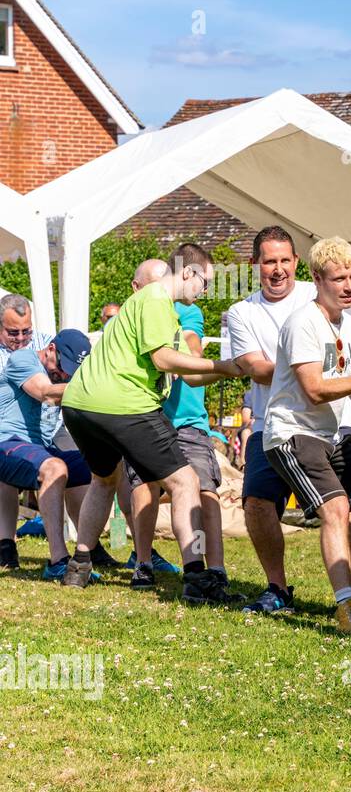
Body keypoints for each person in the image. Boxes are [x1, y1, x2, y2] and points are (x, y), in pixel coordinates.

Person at [59, 243, 245, 601]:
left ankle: (79, 566)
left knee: (104, 480)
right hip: (123, 403)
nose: (205, 292)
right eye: (204, 283)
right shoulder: (158, 300)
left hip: (80, 405)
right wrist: (221, 365)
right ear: (188, 272)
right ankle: (196, 578)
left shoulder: (143, 305)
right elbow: (163, 359)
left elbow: (187, 374)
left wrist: (229, 370)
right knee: (185, 481)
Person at [262, 237, 351, 640]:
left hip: (331, 435)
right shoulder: (303, 322)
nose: (348, 286)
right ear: (316, 278)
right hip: (291, 433)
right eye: (338, 278)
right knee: (336, 508)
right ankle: (344, 609)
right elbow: (315, 390)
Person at [225, 226, 317, 614]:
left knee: (346, 510)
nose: (278, 269)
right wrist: (307, 365)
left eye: (284, 260)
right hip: (269, 422)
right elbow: (256, 369)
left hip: (325, 421)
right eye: (269, 262)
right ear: (255, 265)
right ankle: (277, 588)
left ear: (296, 262)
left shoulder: (317, 296)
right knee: (257, 503)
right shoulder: (241, 312)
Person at [124, 283, 238, 599]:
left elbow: (193, 345)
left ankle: (210, 568)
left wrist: (178, 356)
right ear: (136, 287)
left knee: (204, 491)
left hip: (188, 422)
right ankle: (143, 562)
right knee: (141, 488)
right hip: (145, 416)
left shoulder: (187, 310)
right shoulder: (132, 313)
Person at [0, 330, 93, 579]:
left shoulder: (61, 372)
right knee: (55, 468)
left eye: (70, 372)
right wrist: (93, 384)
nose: (64, 374)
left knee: (100, 465)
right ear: (50, 349)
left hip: (38, 446)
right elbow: (45, 392)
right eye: (63, 367)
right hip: (7, 443)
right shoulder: (23, 359)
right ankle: (58, 561)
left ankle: (91, 551)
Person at [120, 258, 181, 578]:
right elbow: (162, 358)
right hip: (131, 412)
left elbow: (190, 348)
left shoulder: (181, 312)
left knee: (129, 483)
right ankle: (130, 551)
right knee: (121, 484)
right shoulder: (126, 322)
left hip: (156, 414)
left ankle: (136, 553)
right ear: (136, 288)